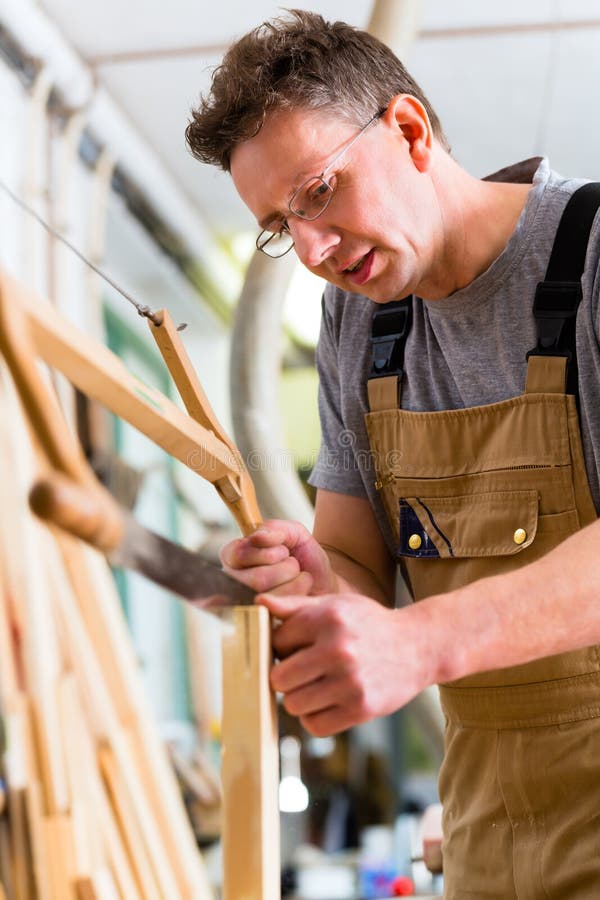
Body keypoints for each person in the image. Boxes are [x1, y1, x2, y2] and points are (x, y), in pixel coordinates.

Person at [185, 10, 600, 897]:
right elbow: (356, 571)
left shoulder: (594, 257)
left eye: (319, 191)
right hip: (492, 836)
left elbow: (415, 635)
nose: (311, 251)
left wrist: (421, 643)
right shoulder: (358, 325)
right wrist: (309, 582)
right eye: (277, 226)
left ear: (409, 130)